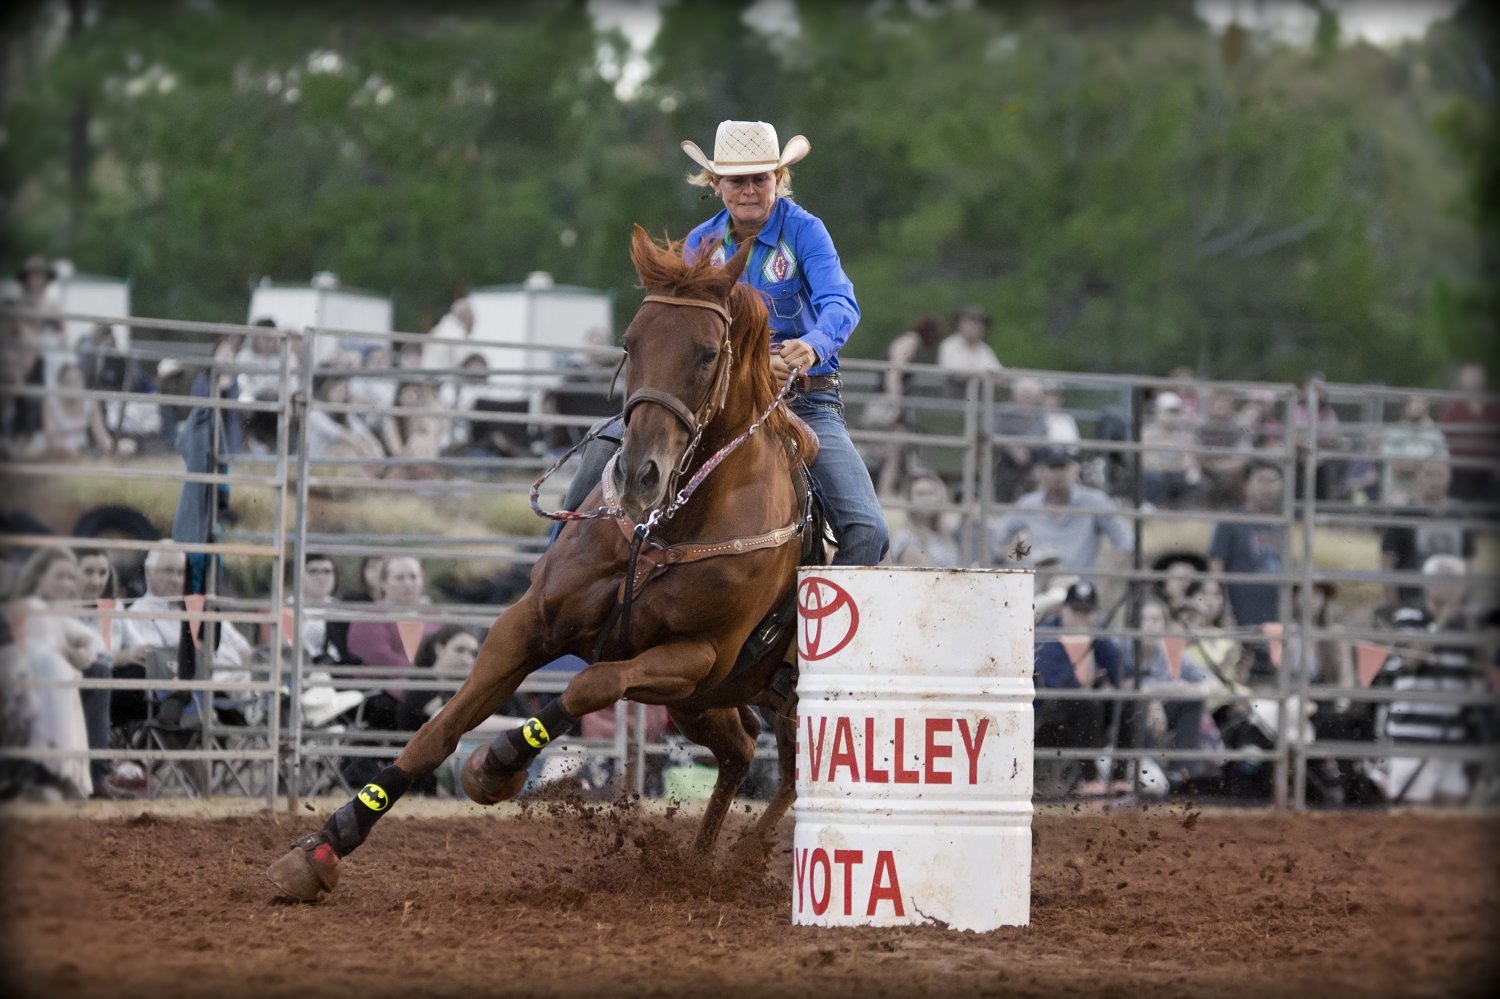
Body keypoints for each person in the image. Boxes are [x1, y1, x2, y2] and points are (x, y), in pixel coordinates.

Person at [675, 119, 889, 566]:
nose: (749, 190)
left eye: (760, 178)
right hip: (717, 400)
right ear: (717, 184)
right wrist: (746, 367)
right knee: (606, 461)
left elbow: (840, 303)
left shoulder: (806, 231)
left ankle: (822, 633)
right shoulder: (700, 243)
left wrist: (810, 346)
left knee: (867, 530)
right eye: (737, 180)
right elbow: (689, 331)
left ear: (779, 180)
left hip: (805, 400)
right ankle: (558, 579)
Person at [6, 547, 98, 798]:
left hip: (55, 677)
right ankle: (52, 769)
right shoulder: (27, 606)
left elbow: (88, 636)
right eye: (60, 576)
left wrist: (85, 651)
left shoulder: (55, 611)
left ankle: (61, 772)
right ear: (39, 576)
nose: (67, 583)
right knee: (53, 668)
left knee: (65, 675)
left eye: (71, 577)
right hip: (32, 678)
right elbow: (38, 646)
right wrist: (71, 653)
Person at [1032, 580, 1124, 797]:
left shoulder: (1097, 636)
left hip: (1087, 717)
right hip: (1047, 720)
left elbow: (1124, 675)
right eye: (1076, 611)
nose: (1081, 618)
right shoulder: (1046, 636)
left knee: (1126, 702)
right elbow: (1071, 688)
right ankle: (1090, 779)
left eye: (1087, 612)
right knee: (1085, 703)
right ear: (1064, 609)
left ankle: (1121, 778)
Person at [988, 447, 1134, 573]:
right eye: (1052, 467)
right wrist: (1013, 569)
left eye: (1062, 466)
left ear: (1074, 469)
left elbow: (1124, 542)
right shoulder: (1028, 504)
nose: (1058, 474)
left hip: (1079, 594)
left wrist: (1102, 583)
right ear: (1040, 472)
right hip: (1037, 590)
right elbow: (999, 537)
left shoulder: (1095, 502)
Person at [344, 556, 440, 730]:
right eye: (400, 577)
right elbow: (382, 661)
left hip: (431, 690)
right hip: (385, 695)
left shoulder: (435, 618)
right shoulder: (369, 618)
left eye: (413, 577)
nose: (408, 583)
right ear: (383, 583)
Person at [1378, 459, 1474, 612]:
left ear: (1449, 477)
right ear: (1417, 477)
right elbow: (1386, 562)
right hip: (1411, 604)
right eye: (1429, 474)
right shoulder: (1403, 514)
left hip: (1453, 608)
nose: (1435, 480)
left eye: (1440, 474)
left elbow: (1467, 564)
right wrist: (1394, 607)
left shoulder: (1459, 515)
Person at [1208, 460, 1287, 628]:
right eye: (1262, 480)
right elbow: (1216, 568)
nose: (1268, 488)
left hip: (1275, 619)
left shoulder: (1281, 525)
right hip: (1240, 617)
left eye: (1273, 481)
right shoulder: (1231, 521)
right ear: (1246, 485)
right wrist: (1225, 611)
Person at [1436, 363, 1499, 502]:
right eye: (1469, 376)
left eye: (1477, 375)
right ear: (1462, 380)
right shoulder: (1453, 407)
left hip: (1489, 468)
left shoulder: (1493, 406)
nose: (1473, 380)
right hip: (1461, 468)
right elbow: (1445, 434)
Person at [1380, 393, 1449, 506]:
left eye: (1420, 403)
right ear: (1405, 407)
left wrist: (1414, 467)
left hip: (1430, 494)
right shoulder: (1394, 432)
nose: (1416, 406)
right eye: (1413, 402)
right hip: (1398, 492)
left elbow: (1442, 467)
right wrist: (1427, 469)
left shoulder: (1435, 434)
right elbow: (1397, 466)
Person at [991, 376, 1050, 503]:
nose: (1027, 399)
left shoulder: (1039, 414)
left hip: (1032, 455)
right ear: (1015, 396)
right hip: (1007, 455)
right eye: (1024, 395)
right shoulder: (1005, 411)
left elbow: (1042, 435)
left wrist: (1026, 450)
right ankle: (1002, 504)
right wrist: (1014, 449)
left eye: (1031, 396)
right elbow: (996, 434)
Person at [41, 362, 113, 460]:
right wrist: (68, 452)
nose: (75, 385)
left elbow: (101, 434)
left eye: (78, 379)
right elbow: (51, 439)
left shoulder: (90, 401)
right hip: (59, 455)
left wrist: (115, 447)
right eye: (70, 381)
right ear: (62, 385)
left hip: (84, 452)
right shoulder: (51, 404)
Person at [1140, 391, 1201, 508]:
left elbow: (1190, 460)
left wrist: (1187, 469)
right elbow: (1147, 461)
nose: (1172, 416)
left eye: (1175, 411)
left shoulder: (1185, 434)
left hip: (1176, 475)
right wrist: (1175, 466)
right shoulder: (1147, 432)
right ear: (1158, 411)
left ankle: (1189, 512)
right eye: (1168, 411)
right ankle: (1153, 508)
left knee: (1195, 478)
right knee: (1153, 477)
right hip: (1158, 475)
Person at [888, 473, 961, 568]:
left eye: (931, 493)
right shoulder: (904, 537)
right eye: (920, 494)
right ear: (909, 499)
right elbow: (931, 575)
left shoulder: (948, 533)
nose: (926, 499)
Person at [936, 305, 1002, 375]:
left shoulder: (985, 349)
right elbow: (953, 372)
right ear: (959, 325)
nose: (972, 327)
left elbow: (998, 372)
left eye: (977, 323)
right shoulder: (949, 345)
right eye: (968, 322)